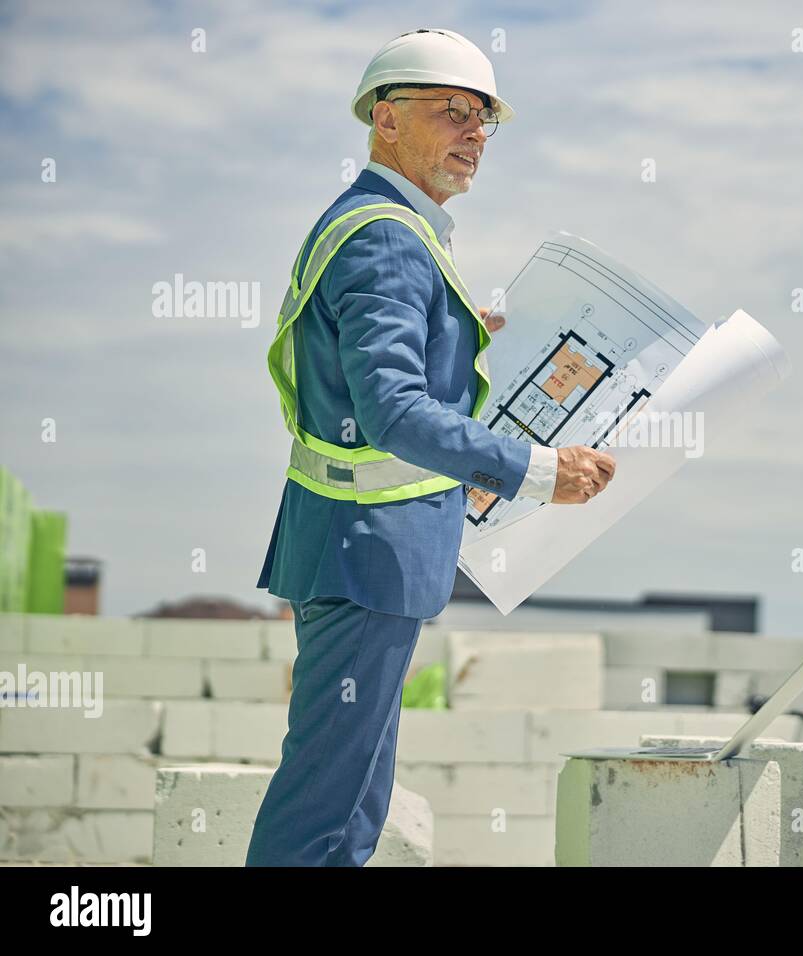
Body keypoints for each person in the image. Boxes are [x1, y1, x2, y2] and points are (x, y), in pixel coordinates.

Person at [247, 29, 615, 866]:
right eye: (453, 111)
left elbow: (369, 378)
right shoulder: (385, 236)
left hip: (357, 548)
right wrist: (540, 471)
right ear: (385, 119)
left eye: (485, 119)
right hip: (366, 552)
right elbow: (395, 415)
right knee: (328, 806)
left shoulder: (387, 229)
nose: (475, 133)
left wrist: (459, 335)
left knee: (353, 799)